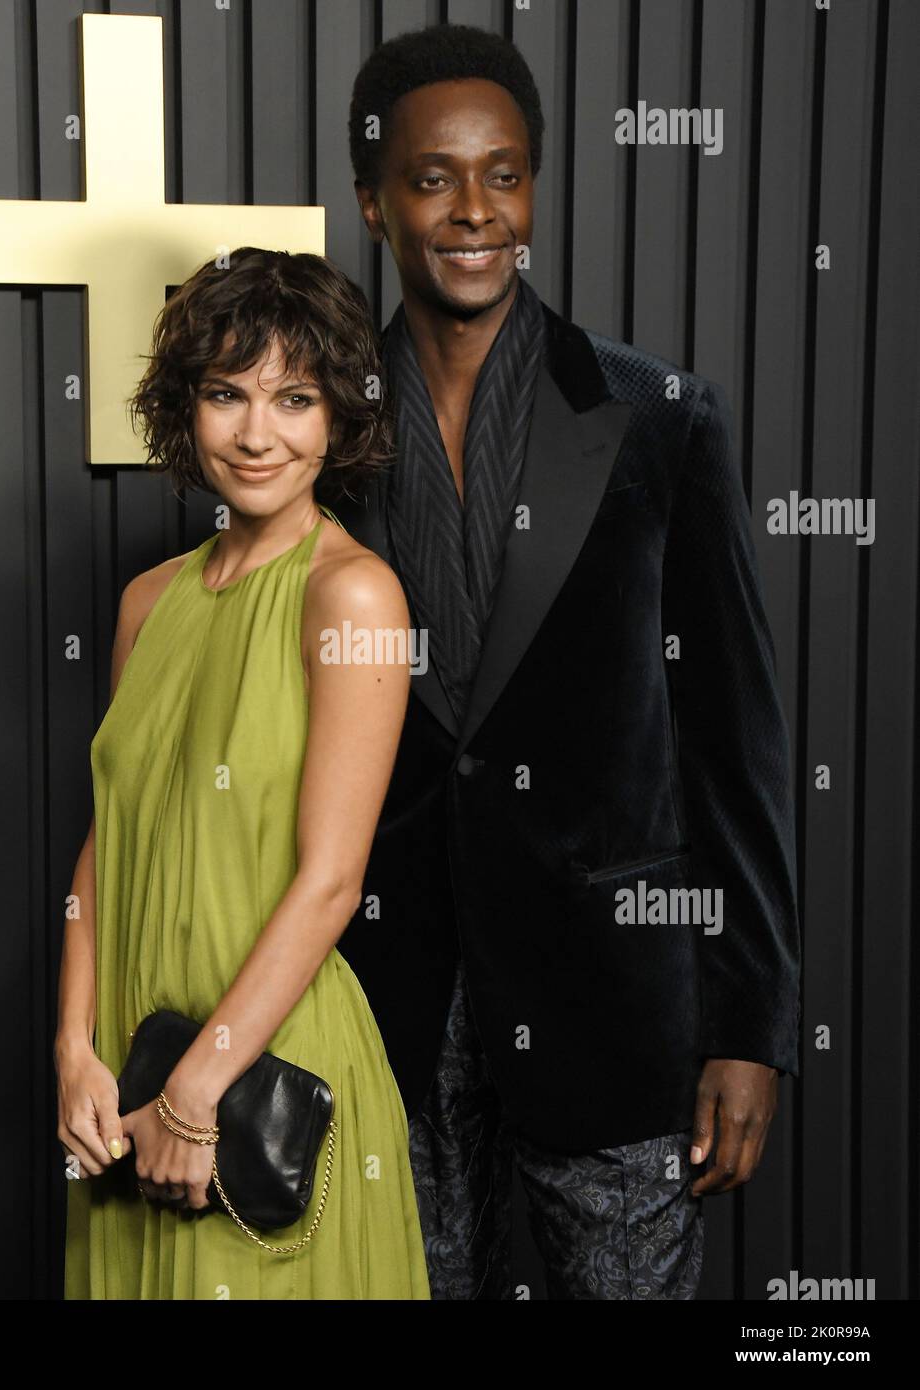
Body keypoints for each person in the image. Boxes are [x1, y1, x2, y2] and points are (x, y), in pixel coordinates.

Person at [332, 23, 802, 1300]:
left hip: (616, 1008)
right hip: (387, 1007)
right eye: (433, 179)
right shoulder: (316, 434)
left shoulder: (658, 418)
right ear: (374, 202)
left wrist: (750, 1027)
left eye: (504, 173)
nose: (475, 209)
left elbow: (735, 744)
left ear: (532, 188)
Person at [55, 247, 430, 1300]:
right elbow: (104, 838)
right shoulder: (147, 600)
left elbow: (330, 881)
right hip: (131, 1085)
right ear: (186, 407)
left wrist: (199, 1091)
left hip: (262, 1082)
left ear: (337, 419)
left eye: (294, 398)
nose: (257, 433)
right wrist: (74, 1045)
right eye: (226, 393)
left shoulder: (353, 599)